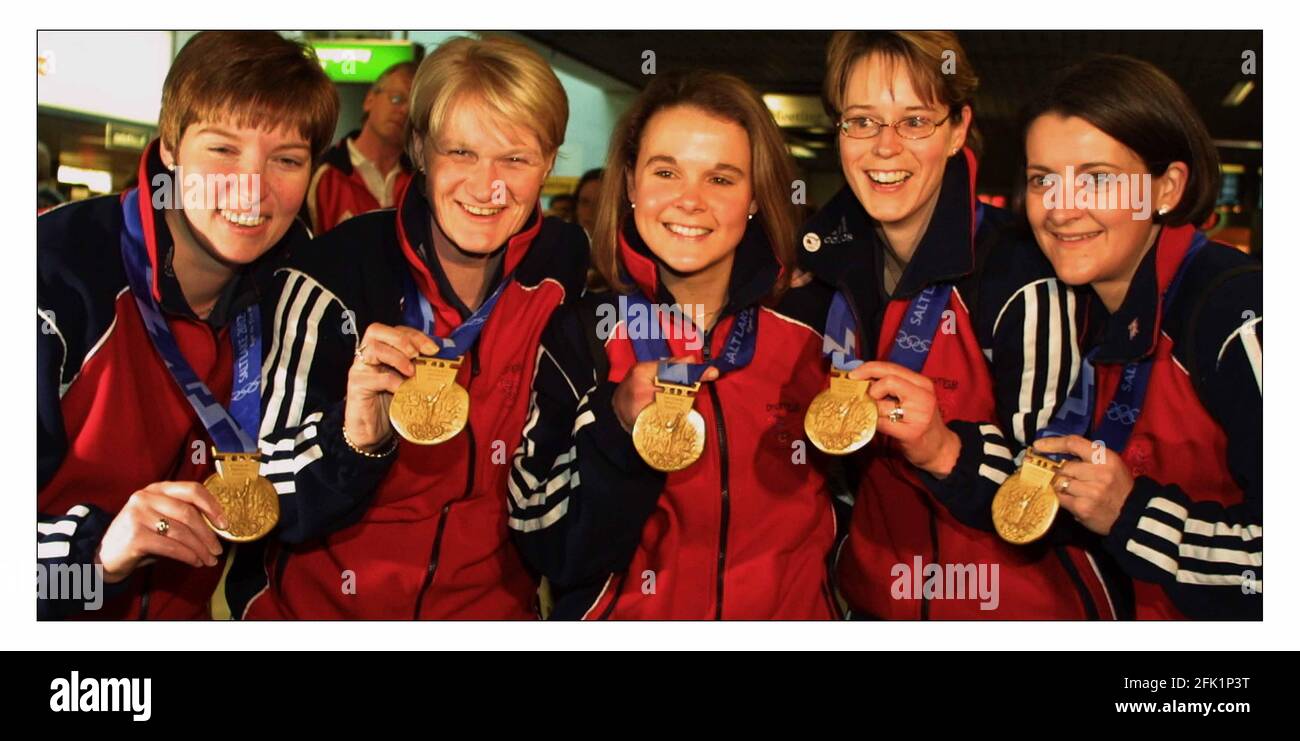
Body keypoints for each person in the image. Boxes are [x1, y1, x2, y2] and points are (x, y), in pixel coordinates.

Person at [241, 36, 588, 619]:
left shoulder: (561, 265)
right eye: (462, 153)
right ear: (421, 150)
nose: (488, 186)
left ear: (549, 162)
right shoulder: (330, 274)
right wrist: (353, 440)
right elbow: (260, 492)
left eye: (516, 159)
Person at [800, 31, 1121, 619]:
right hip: (874, 598)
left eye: (915, 121)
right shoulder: (823, 266)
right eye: (862, 121)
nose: (885, 148)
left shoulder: (1021, 272)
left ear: (955, 129)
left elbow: (1064, 480)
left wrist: (947, 449)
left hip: (1014, 610)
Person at [508, 69, 843, 619]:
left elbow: (858, 503)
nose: (690, 201)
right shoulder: (582, 334)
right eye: (666, 171)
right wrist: (615, 431)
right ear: (633, 186)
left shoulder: (817, 329)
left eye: (721, 178)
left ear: (755, 196)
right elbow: (547, 546)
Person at [37, 31, 338, 619]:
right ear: (171, 148)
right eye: (223, 150)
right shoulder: (51, 273)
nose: (253, 186)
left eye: (286, 160)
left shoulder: (298, 292)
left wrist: (364, 437)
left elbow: (308, 503)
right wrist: (94, 558)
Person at [1022, 55, 1261, 619]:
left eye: (1098, 179)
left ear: (1168, 188)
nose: (1062, 208)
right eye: (1042, 180)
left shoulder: (1238, 313)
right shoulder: (1086, 308)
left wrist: (1132, 514)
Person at [307, 61, 416, 234]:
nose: (404, 111)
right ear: (369, 100)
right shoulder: (322, 174)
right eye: (397, 98)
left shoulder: (420, 183)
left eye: (414, 109)